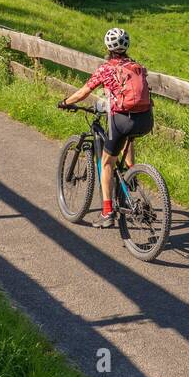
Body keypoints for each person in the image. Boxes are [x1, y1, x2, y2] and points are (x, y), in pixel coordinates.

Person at [57, 27, 154, 227]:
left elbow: (84, 92)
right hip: (145, 119)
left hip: (121, 119)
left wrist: (66, 102)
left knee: (107, 162)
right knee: (127, 138)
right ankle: (131, 174)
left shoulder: (106, 68)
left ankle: (107, 212)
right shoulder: (137, 66)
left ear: (107, 47)